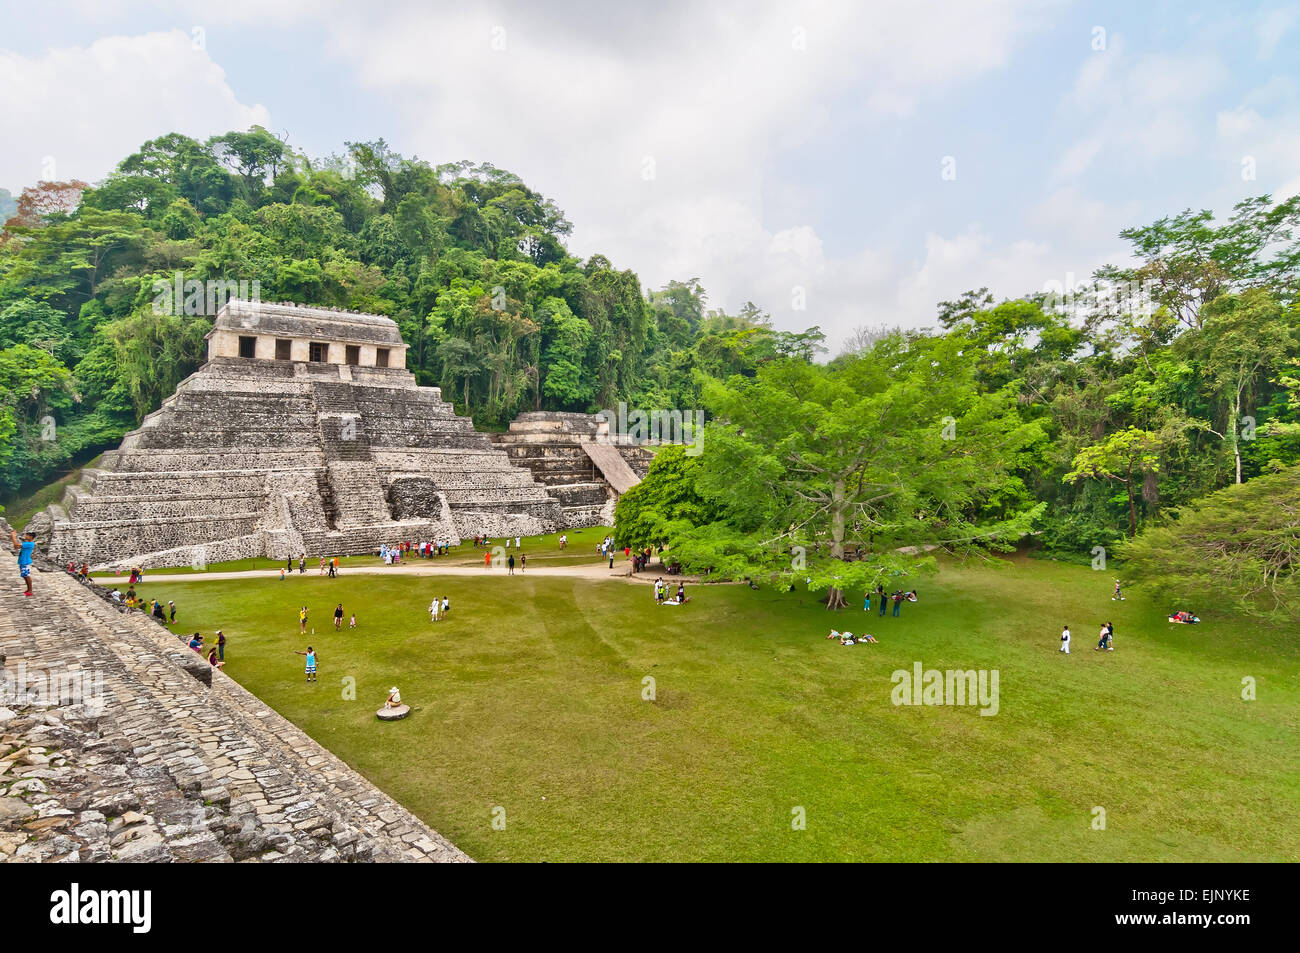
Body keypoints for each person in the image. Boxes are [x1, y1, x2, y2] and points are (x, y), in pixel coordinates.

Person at [10, 528, 35, 597]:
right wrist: (14, 539)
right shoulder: (26, 543)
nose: (25, 536)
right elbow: (16, 547)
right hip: (23, 561)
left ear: (31, 537)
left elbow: (16, 544)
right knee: (24, 575)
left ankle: (30, 590)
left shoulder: (29, 544)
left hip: (25, 562)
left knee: (27, 576)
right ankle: (28, 589)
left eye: (27, 535)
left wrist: (13, 536)